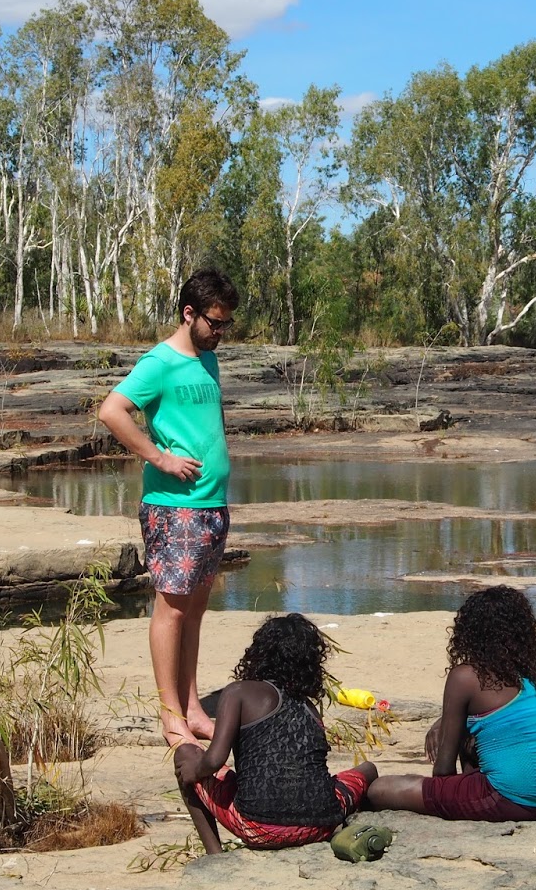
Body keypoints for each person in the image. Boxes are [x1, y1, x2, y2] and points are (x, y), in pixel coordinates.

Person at [98, 268, 239, 747]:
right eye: (214, 324)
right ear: (189, 314)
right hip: (174, 509)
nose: (220, 333)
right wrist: (159, 457)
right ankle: (171, 717)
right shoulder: (159, 362)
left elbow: (209, 420)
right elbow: (111, 411)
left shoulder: (208, 361)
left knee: (195, 611)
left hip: (211, 506)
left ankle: (194, 708)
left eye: (225, 326)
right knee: (171, 611)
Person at [365, 586, 536, 821]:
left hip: (515, 800)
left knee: (381, 789)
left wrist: (442, 796)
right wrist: (448, 722)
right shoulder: (532, 675)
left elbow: (443, 772)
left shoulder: (466, 677)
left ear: (470, 632)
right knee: (476, 740)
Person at [173, 613, 379, 854]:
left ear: (259, 651)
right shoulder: (309, 707)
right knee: (368, 770)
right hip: (321, 825)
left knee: (186, 753)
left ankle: (214, 854)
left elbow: (215, 760)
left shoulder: (238, 692)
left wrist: (194, 769)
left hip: (260, 827)